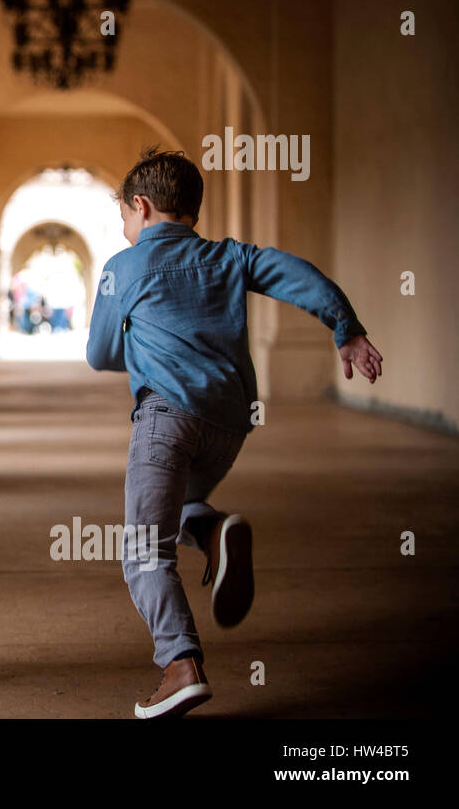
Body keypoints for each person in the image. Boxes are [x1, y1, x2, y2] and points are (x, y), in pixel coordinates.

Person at [87, 146, 383, 719]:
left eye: (122, 213)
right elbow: (300, 274)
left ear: (140, 208)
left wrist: (145, 339)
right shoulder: (229, 256)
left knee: (145, 549)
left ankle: (180, 666)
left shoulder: (122, 269)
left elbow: (100, 354)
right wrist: (345, 329)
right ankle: (218, 530)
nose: (123, 224)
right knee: (188, 501)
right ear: (192, 211)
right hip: (231, 421)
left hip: (166, 420)